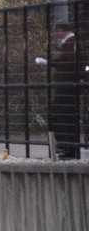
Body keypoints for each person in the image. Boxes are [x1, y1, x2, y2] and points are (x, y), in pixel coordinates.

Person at [36, 22, 84, 160]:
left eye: (57, 32)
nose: (56, 35)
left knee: (57, 113)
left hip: (67, 84)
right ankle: (70, 148)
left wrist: (49, 63)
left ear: (61, 31)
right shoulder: (71, 43)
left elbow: (67, 61)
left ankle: (66, 145)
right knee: (68, 115)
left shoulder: (71, 43)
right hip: (71, 84)